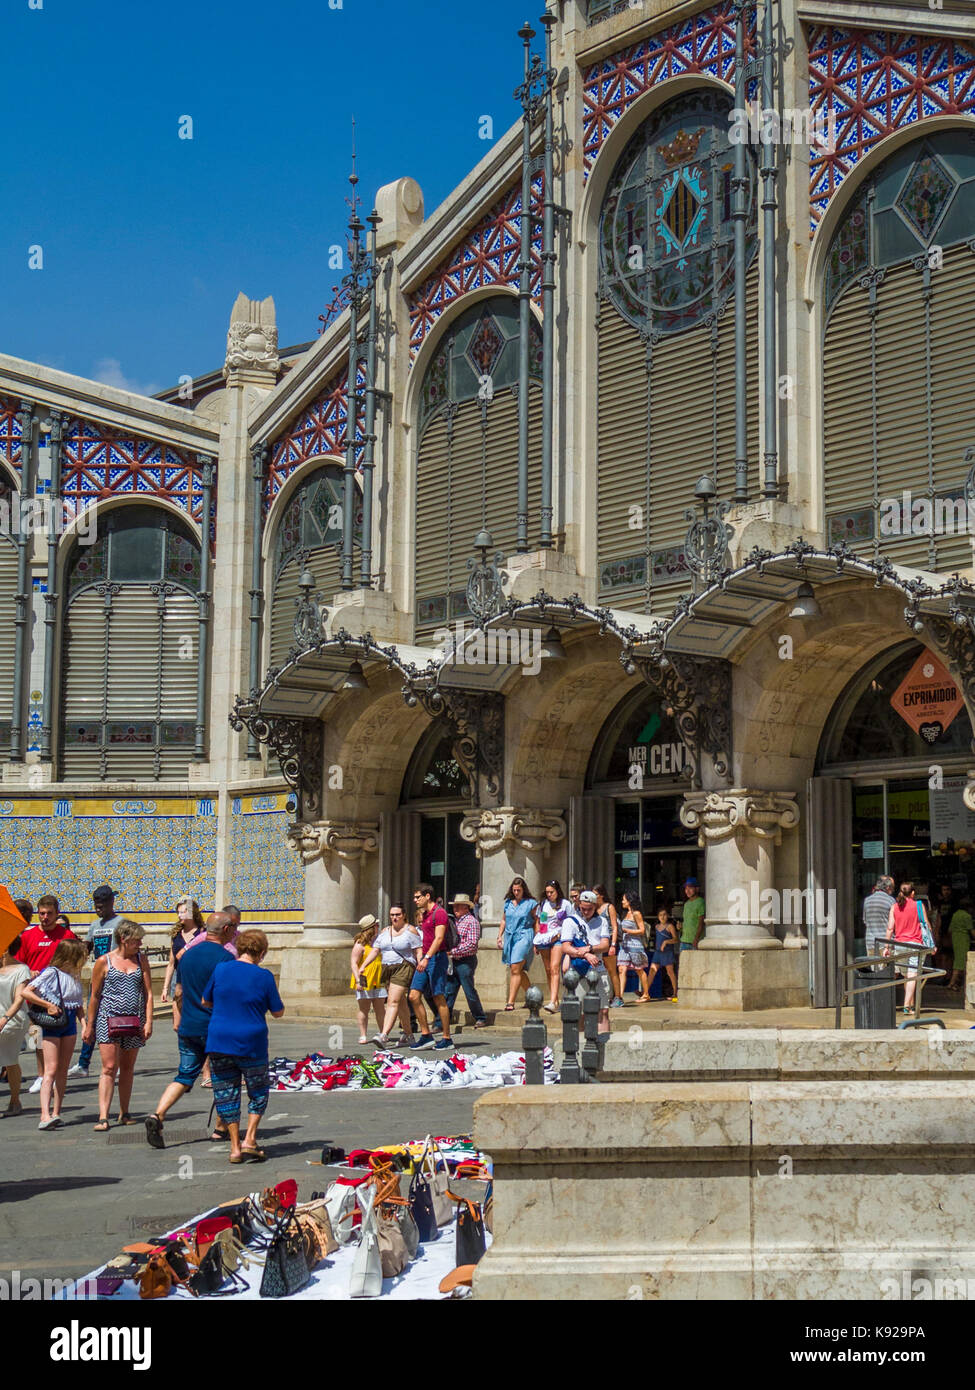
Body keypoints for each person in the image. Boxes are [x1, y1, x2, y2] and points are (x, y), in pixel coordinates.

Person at [145, 912, 234, 1150]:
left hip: (189, 1025)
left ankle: (158, 1115)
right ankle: (219, 1129)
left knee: (184, 1075)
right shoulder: (226, 959)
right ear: (225, 930)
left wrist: (179, 1018)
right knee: (224, 1077)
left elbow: (178, 991)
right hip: (215, 1028)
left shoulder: (187, 956)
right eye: (233, 928)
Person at [201, 929, 284, 1164]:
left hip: (220, 1040)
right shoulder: (264, 976)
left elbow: (205, 1000)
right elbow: (278, 1012)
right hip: (252, 1043)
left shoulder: (221, 969)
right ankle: (250, 1138)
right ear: (262, 953)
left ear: (239, 948)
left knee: (227, 1093)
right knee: (258, 1091)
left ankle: (235, 1147)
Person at [83, 920, 153, 1131]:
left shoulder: (141, 960)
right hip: (108, 1018)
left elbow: (149, 993)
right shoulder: (104, 962)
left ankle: (124, 1111)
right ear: (123, 939)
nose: (140, 944)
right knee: (109, 1067)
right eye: (136, 940)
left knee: (128, 1067)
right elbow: (95, 995)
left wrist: (149, 1021)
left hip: (134, 1020)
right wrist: (89, 1025)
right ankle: (103, 1115)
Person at [17, 939, 86, 1129]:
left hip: (69, 1022)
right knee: (51, 1069)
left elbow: (78, 1004)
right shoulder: (51, 973)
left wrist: (85, 1024)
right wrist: (48, 1005)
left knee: (63, 1070)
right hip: (52, 1023)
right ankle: (45, 1114)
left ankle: (56, 1111)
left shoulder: (74, 976)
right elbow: (26, 992)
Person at [16, 896, 77, 1095]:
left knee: (58, 1038)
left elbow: (75, 961)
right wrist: (29, 971)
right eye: (41, 913)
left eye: (49, 914)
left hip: (59, 997)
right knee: (36, 1038)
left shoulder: (66, 935)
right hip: (34, 997)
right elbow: (19, 963)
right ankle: (41, 1075)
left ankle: (54, 1075)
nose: (45, 917)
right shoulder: (28, 936)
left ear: (56, 913)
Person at [69, 885, 125, 1079]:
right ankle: (83, 1063)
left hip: (116, 979)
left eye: (101, 905)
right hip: (98, 978)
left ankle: (115, 1063)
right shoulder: (95, 925)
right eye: (96, 906)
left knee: (114, 1022)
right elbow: (88, 946)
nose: (98, 909)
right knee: (91, 1019)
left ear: (111, 902)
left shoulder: (121, 923)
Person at [361, 904, 422, 1049]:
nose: (394, 917)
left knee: (392, 1001)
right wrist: (364, 966)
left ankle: (383, 1035)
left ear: (404, 915)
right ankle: (409, 1035)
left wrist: (421, 963)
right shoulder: (385, 931)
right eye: (392, 915)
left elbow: (418, 950)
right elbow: (376, 950)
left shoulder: (410, 930)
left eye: (397, 914)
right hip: (387, 968)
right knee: (400, 1002)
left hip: (403, 966)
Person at [558, 890, 612, 1035]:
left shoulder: (602, 921)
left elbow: (605, 945)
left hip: (598, 969)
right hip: (579, 970)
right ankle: (580, 1045)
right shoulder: (570, 921)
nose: (586, 911)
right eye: (583, 908)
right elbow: (565, 947)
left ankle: (603, 1043)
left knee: (604, 1009)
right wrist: (585, 955)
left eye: (590, 909)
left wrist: (589, 949)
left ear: (595, 906)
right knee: (580, 1012)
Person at [409, 883, 454, 1050]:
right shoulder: (426, 914)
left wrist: (427, 957)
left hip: (436, 958)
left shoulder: (439, 913)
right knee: (413, 995)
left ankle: (447, 1038)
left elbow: (439, 938)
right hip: (425, 959)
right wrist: (422, 956)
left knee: (438, 997)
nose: (415, 900)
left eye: (418, 897)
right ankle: (426, 1035)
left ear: (427, 896)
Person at [444, 891, 487, 1029]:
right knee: (449, 991)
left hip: (465, 961)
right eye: (454, 906)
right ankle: (442, 1020)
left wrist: (453, 951)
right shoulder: (454, 922)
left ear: (466, 908)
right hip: (453, 960)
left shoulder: (472, 922)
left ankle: (480, 1017)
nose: (455, 908)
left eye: (458, 906)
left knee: (469, 990)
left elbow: (472, 944)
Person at [161, 896, 207, 1020]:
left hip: (197, 978)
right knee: (178, 1022)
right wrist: (165, 988)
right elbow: (171, 963)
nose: (179, 915)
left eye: (183, 912)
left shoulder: (203, 933)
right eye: (178, 912)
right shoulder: (176, 935)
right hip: (178, 980)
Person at [0, 936, 31, 1116]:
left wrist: (5, 1018)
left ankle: (15, 1100)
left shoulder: (21, 969)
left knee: (10, 1060)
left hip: (13, 1020)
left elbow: (20, 998)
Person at [498, 876, 538, 1012]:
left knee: (515, 967)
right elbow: (504, 920)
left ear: (523, 890)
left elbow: (536, 921)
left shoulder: (531, 903)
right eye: (514, 890)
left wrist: (537, 940)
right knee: (518, 969)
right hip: (510, 936)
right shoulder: (508, 903)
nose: (516, 893)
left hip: (524, 935)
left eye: (519, 890)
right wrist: (499, 936)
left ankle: (510, 1002)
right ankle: (532, 996)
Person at [884, 882, 924, 1014]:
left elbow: (890, 928)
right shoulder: (918, 905)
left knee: (907, 975)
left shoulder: (895, 907)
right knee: (912, 975)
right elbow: (926, 925)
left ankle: (910, 1005)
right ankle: (907, 1006)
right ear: (912, 893)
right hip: (915, 944)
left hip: (900, 945)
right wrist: (932, 944)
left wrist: (886, 947)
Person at [533, 879, 572, 1014]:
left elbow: (570, 922)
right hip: (545, 937)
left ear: (557, 891)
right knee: (548, 969)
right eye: (547, 892)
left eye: (552, 892)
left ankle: (553, 1000)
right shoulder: (543, 904)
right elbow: (542, 922)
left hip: (559, 938)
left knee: (555, 967)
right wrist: (538, 940)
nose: (549, 894)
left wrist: (563, 935)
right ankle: (554, 999)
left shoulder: (565, 904)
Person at [349, 915, 387, 1042]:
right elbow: (354, 963)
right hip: (364, 978)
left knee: (380, 1008)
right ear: (371, 928)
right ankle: (363, 1034)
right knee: (364, 1008)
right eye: (376, 925)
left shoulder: (378, 941)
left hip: (378, 978)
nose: (378, 927)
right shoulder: (360, 944)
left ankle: (383, 1033)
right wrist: (358, 979)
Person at [593, 884, 624, 1007]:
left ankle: (618, 996)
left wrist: (613, 944)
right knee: (601, 969)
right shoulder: (594, 908)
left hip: (610, 940)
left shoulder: (609, 907)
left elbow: (615, 926)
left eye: (595, 894)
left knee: (612, 970)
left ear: (601, 895)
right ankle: (605, 995)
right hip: (599, 941)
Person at [617, 890, 650, 1001]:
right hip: (625, 946)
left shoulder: (636, 914)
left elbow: (642, 930)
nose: (622, 902)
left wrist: (627, 930)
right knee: (622, 969)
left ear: (629, 901)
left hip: (635, 945)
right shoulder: (625, 914)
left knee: (639, 970)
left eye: (624, 899)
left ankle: (646, 994)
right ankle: (620, 996)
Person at [646, 905, 680, 1002]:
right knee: (652, 971)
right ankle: (645, 992)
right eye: (660, 915)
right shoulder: (657, 927)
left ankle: (675, 993)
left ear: (667, 916)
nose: (663, 917)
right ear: (658, 917)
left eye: (664, 915)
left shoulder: (670, 926)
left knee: (670, 972)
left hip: (667, 952)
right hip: (658, 952)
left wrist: (666, 942)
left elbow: (676, 939)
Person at [862, 875, 896, 967]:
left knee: (875, 971)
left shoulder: (867, 900)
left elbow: (865, 921)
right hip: (886, 942)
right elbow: (894, 923)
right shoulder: (891, 901)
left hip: (870, 941)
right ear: (888, 888)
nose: (893, 891)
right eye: (892, 888)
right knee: (887, 973)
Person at [947, 895, 973, 992]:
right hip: (963, 940)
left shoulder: (955, 914)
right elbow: (972, 931)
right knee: (960, 962)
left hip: (955, 939)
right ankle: (952, 983)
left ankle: (955, 983)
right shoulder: (967, 916)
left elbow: (950, 930)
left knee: (958, 959)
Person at [678, 878, 705, 954]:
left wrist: (696, 939)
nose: (687, 891)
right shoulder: (686, 904)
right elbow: (689, 921)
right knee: (683, 965)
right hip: (684, 941)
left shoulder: (700, 902)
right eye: (686, 888)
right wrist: (681, 926)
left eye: (690, 888)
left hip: (695, 941)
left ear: (697, 889)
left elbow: (701, 923)